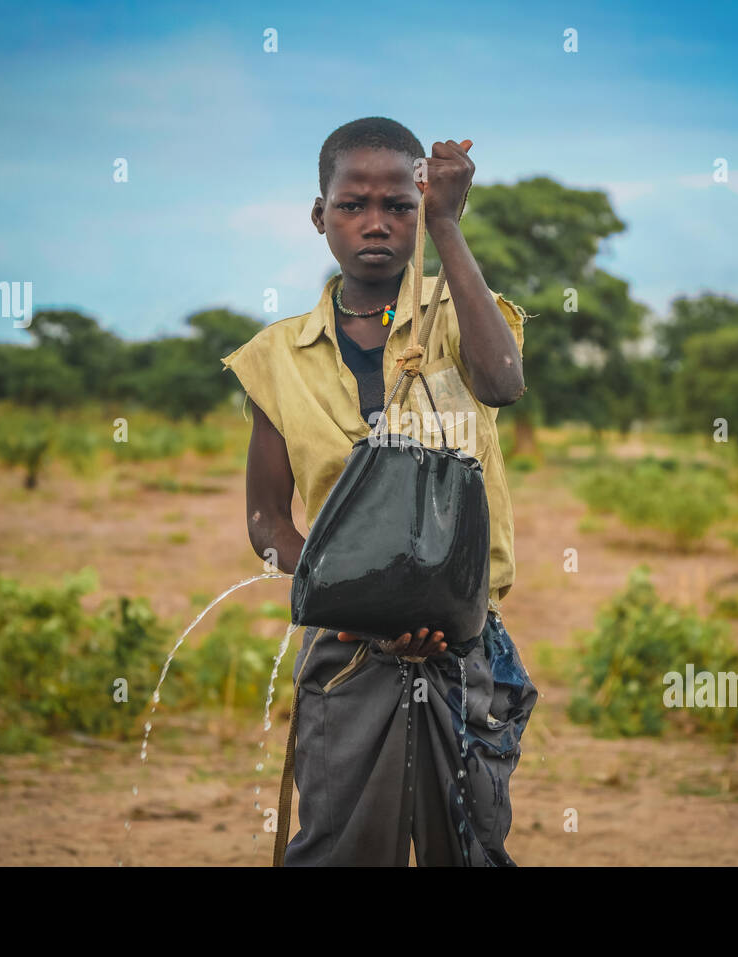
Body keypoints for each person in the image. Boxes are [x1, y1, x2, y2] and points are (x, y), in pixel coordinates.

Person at [220, 116, 538, 866]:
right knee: (339, 850)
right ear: (318, 216)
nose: (375, 223)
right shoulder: (276, 358)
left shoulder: (463, 317)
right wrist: (358, 599)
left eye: (399, 206)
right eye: (351, 205)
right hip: (347, 649)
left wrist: (448, 231)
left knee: (469, 848)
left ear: (423, 206)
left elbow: (504, 382)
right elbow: (267, 518)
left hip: (464, 646)